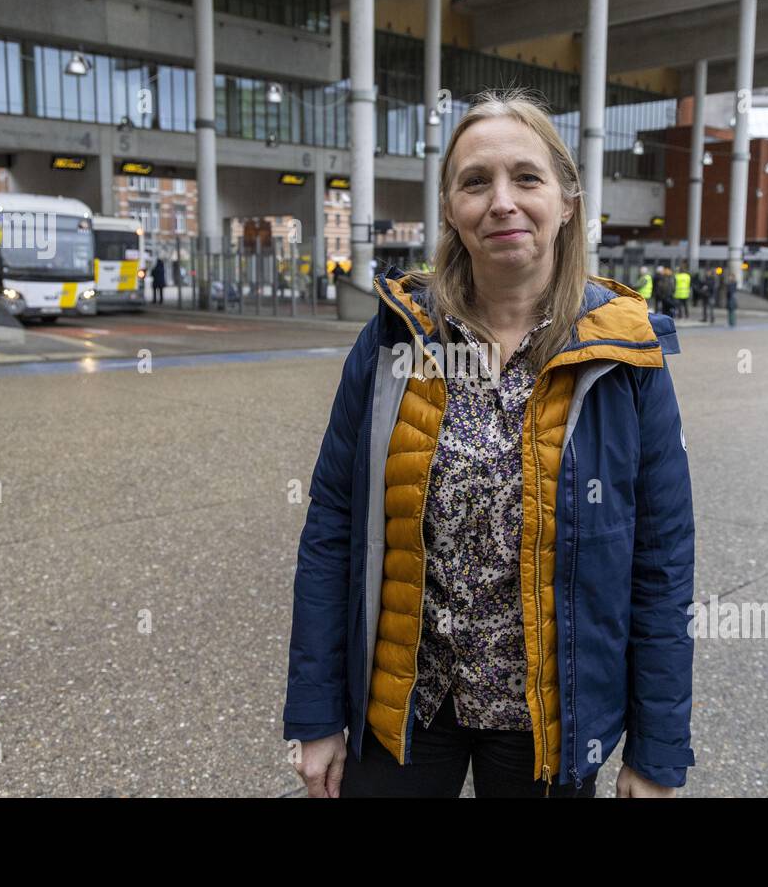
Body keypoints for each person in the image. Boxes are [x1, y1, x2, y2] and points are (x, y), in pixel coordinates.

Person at [283, 87, 695, 799]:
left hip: (546, 715)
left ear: (567, 201)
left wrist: (656, 752)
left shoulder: (625, 356)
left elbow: (661, 562)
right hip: (408, 702)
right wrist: (317, 715)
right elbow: (332, 529)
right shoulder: (395, 339)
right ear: (450, 209)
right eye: (476, 182)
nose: (501, 201)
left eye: (525, 178)